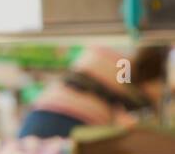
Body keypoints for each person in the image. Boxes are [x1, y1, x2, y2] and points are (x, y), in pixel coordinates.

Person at [19, 45, 168, 139]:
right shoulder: (129, 59)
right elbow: (142, 98)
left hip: (45, 108)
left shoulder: (105, 43)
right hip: (74, 119)